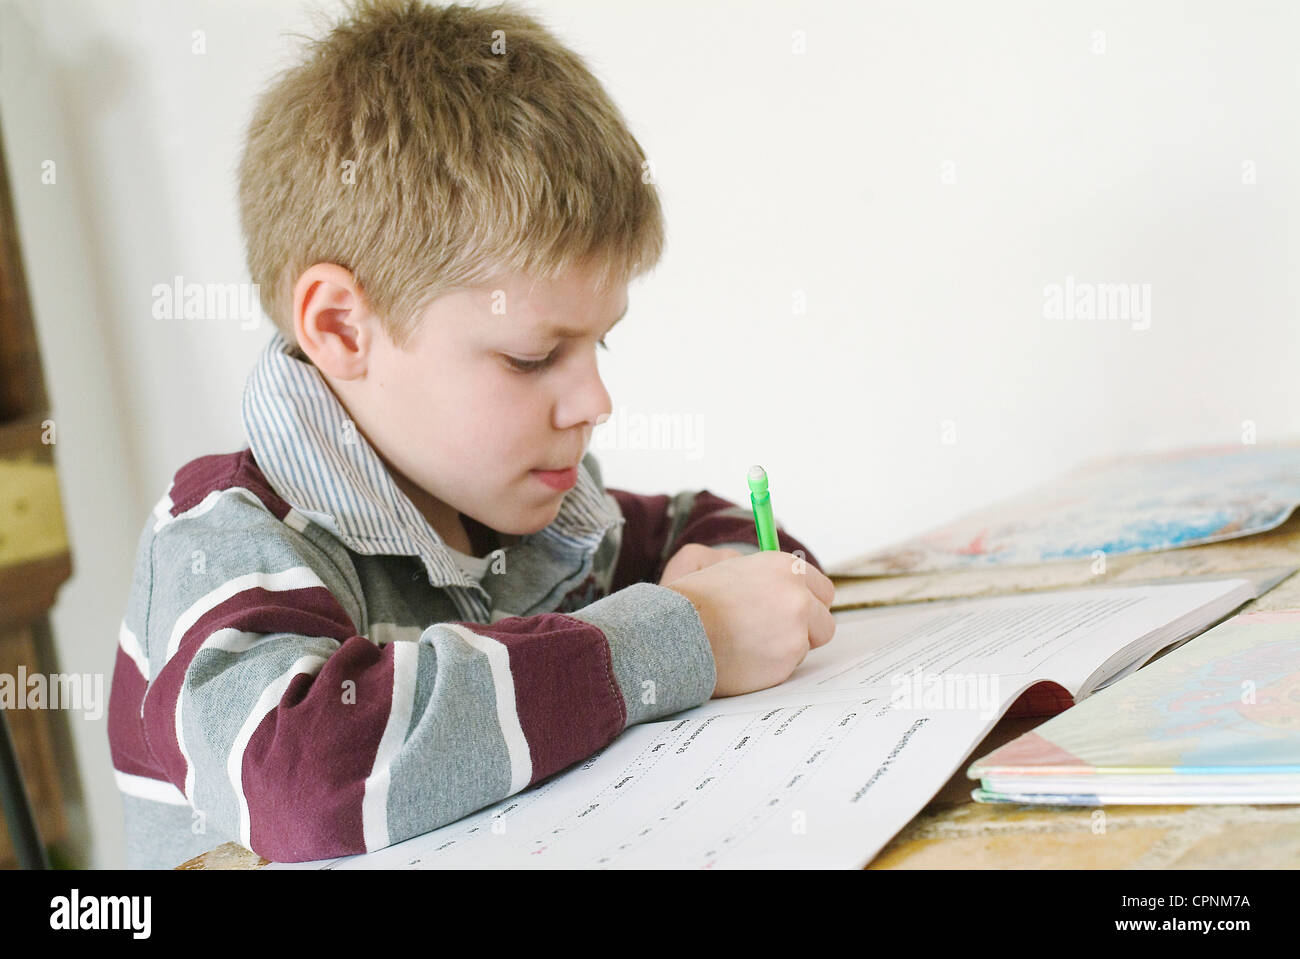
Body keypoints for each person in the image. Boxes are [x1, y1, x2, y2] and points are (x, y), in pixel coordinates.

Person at [108, 0, 835, 869]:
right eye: (533, 357)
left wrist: (733, 584)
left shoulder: (518, 510)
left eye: (597, 343)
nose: (594, 398)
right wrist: (679, 638)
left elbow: (698, 526)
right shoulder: (225, 537)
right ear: (342, 328)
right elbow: (307, 781)